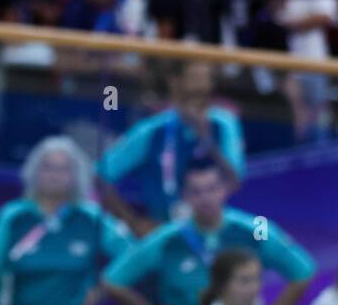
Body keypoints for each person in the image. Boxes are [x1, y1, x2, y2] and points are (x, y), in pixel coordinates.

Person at [103, 160, 316, 305]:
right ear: (185, 196)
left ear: (224, 190)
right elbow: (114, 280)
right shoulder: (167, 238)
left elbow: (303, 271)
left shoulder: (255, 230)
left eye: (212, 189)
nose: (205, 198)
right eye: (196, 191)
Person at [0, 136, 131, 305]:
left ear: (76, 175)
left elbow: (133, 254)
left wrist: (102, 288)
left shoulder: (91, 217)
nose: (54, 174)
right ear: (34, 172)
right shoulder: (14, 216)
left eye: (63, 168)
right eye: (47, 167)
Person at [97, 60, 245, 233]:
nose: (202, 87)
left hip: (212, 230)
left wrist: (206, 138)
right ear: (175, 82)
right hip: (164, 231)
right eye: (195, 78)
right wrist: (134, 223)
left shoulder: (224, 123)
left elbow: (234, 182)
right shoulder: (151, 130)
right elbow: (101, 176)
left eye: (207, 79)